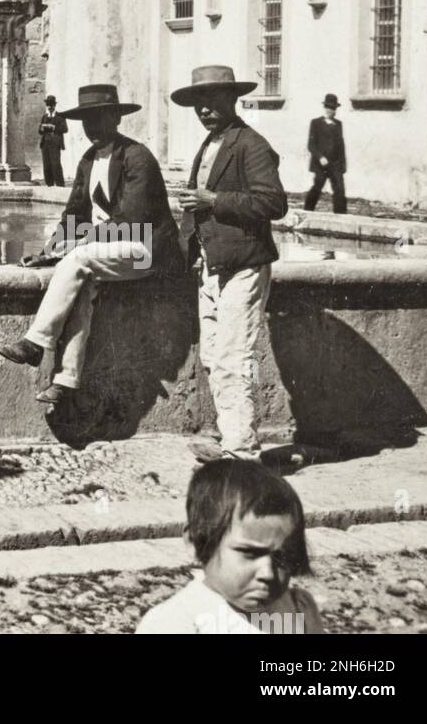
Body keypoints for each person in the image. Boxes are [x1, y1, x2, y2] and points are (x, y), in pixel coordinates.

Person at [0, 83, 183, 412]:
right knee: (80, 277)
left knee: (81, 257)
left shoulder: (137, 157)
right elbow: (74, 213)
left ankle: (37, 342)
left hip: (148, 253)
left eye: (99, 119)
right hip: (109, 253)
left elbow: (132, 219)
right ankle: (65, 380)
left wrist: (81, 242)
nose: (93, 128)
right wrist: (50, 251)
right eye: (87, 121)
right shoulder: (87, 159)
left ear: (116, 119)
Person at [172, 65, 288, 463]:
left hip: (243, 265)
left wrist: (213, 201)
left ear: (231, 100)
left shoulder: (250, 144)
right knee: (213, 356)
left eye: (213, 100)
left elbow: (273, 203)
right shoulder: (210, 145)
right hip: (212, 266)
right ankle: (231, 442)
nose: (204, 109)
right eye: (198, 103)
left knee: (234, 357)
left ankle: (242, 454)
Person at [136, 458, 323, 634]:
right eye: (249, 553)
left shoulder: (299, 608)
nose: (267, 573)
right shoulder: (173, 624)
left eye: (281, 557)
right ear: (195, 541)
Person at [304, 94, 346, 214]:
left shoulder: (338, 124)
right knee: (317, 187)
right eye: (328, 107)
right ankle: (307, 212)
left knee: (339, 190)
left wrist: (342, 166)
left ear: (335, 110)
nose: (330, 110)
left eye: (333, 108)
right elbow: (311, 145)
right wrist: (320, 157)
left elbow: (341, 146)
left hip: (335, 164)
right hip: (320, 164)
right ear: (324, 107)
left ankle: (341, 217)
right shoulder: (316, 123)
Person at [38, 93, 67, 186]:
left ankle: (60, 185)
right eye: (48, 105)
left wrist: (53, 127)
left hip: (55, 143)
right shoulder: (44, 117)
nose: (49, 107)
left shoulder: (60, 116)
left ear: (54, 105)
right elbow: (40, 131)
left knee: (56, 164)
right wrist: (42, 128)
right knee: (46, 165)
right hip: (45, 143)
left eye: (51, 104)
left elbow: (65, 129)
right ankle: (49, 184)